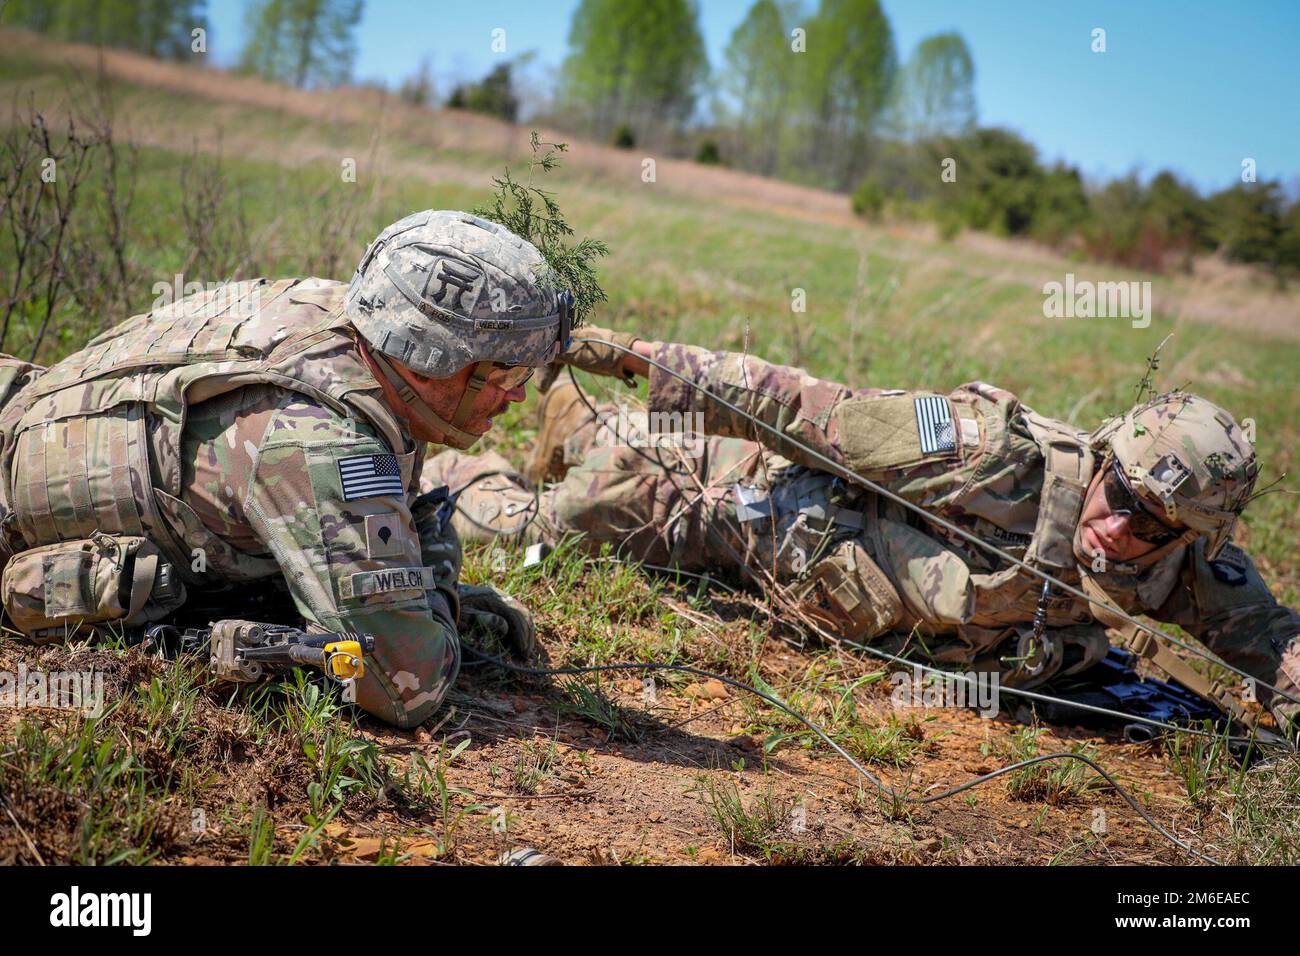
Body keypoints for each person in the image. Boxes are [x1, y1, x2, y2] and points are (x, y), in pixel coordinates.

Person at [426, 326, 1300, 734]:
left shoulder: (1189, 560)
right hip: (733, 509)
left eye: (1157, 524)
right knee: (539, 526)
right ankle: (453, 466)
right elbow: (800, 409)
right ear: (1104, 458)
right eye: (1122, 494)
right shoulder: (989, 455)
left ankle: (581, 431)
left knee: (600, 471)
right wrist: (626, 358)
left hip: (840, 591)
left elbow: (1275, 644)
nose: (1124, 526)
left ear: (1193, 536)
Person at [0, 210, 563, 729]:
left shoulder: (343, 311)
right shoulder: (323, 444)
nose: (516, 398)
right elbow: (403, 685)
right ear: (434, 357)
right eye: (508, 375)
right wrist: (438, 578)